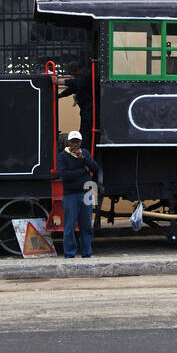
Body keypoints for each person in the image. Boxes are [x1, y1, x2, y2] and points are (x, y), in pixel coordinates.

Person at [58, 130, 100, 258]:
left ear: (80, 142)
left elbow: (95, 168)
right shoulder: (62, 156)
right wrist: (83, 171)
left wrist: (84, 159)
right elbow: (65, 176)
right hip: (70, 194)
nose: (75, 144)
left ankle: (87, 252)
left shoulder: (85, 153)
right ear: (69, 142)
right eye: (73, 142)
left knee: (86, 225)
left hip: (87, 193)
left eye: (77, 142)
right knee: (70, 225)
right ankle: (69, 253)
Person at [57, 70, 94, 151]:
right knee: (84, 132)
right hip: (85, 110)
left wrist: (60, 82)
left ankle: (85, 151)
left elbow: (76, 84)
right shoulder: (83, 79)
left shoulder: (86, 77)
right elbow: (73, 88)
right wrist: (59, 95)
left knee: (86, 132)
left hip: (89, 111)